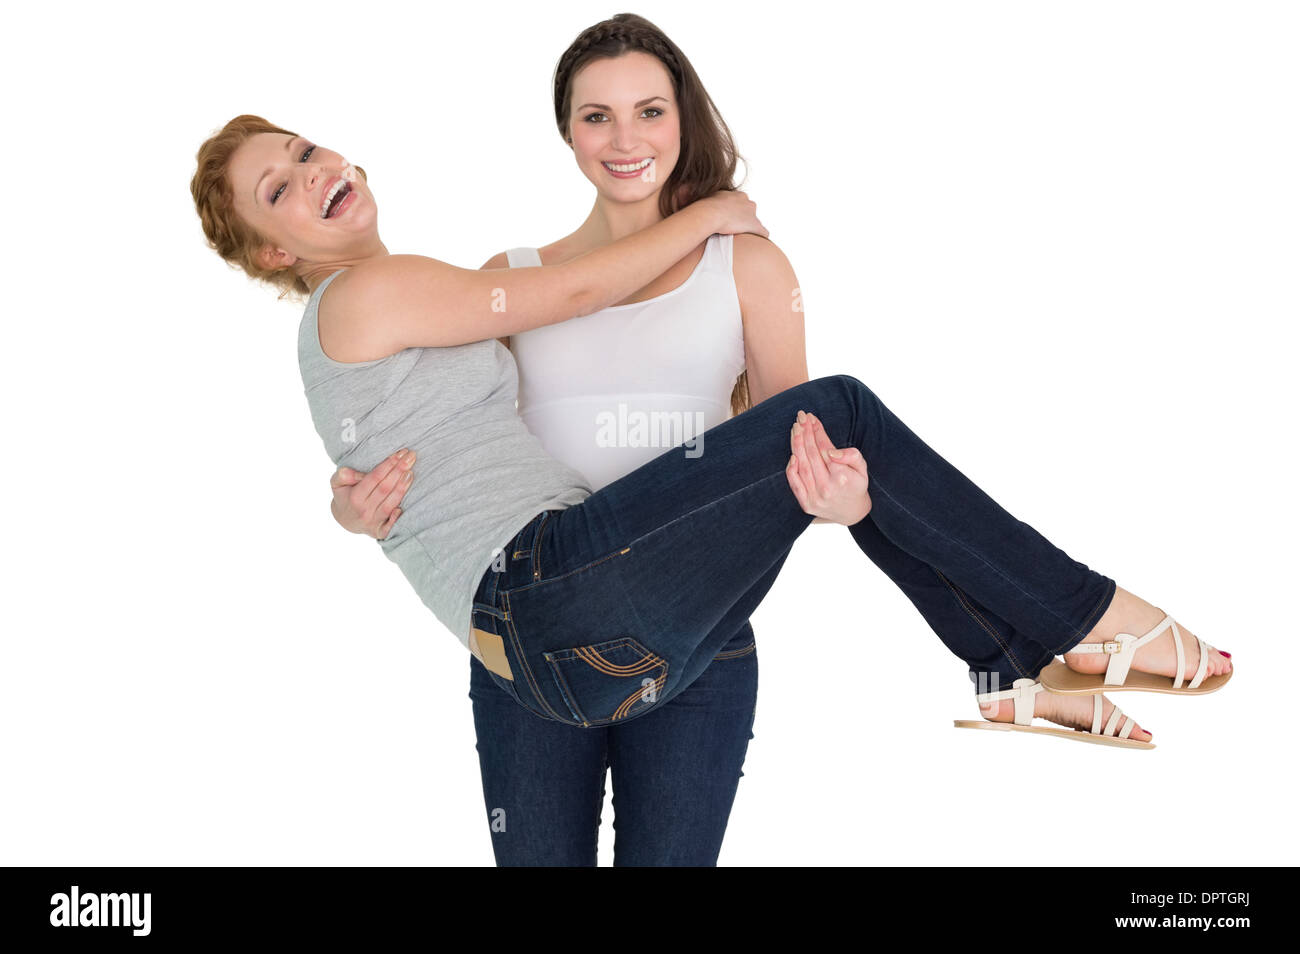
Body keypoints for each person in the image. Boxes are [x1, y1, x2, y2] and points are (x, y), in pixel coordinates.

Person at [190, 93, 1232, 849]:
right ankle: (1085, 618)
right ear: (274, 252)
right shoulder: (371, 294)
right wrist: (714, 209)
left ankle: (1013, 669)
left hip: (585, 636)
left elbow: (427, 438)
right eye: (277, 187)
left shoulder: (394, 307)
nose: (311, 171)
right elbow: (561, 298)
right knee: (839, 408)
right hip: (549, 597)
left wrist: (348, 506)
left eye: (307, 147)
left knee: (826, 428)